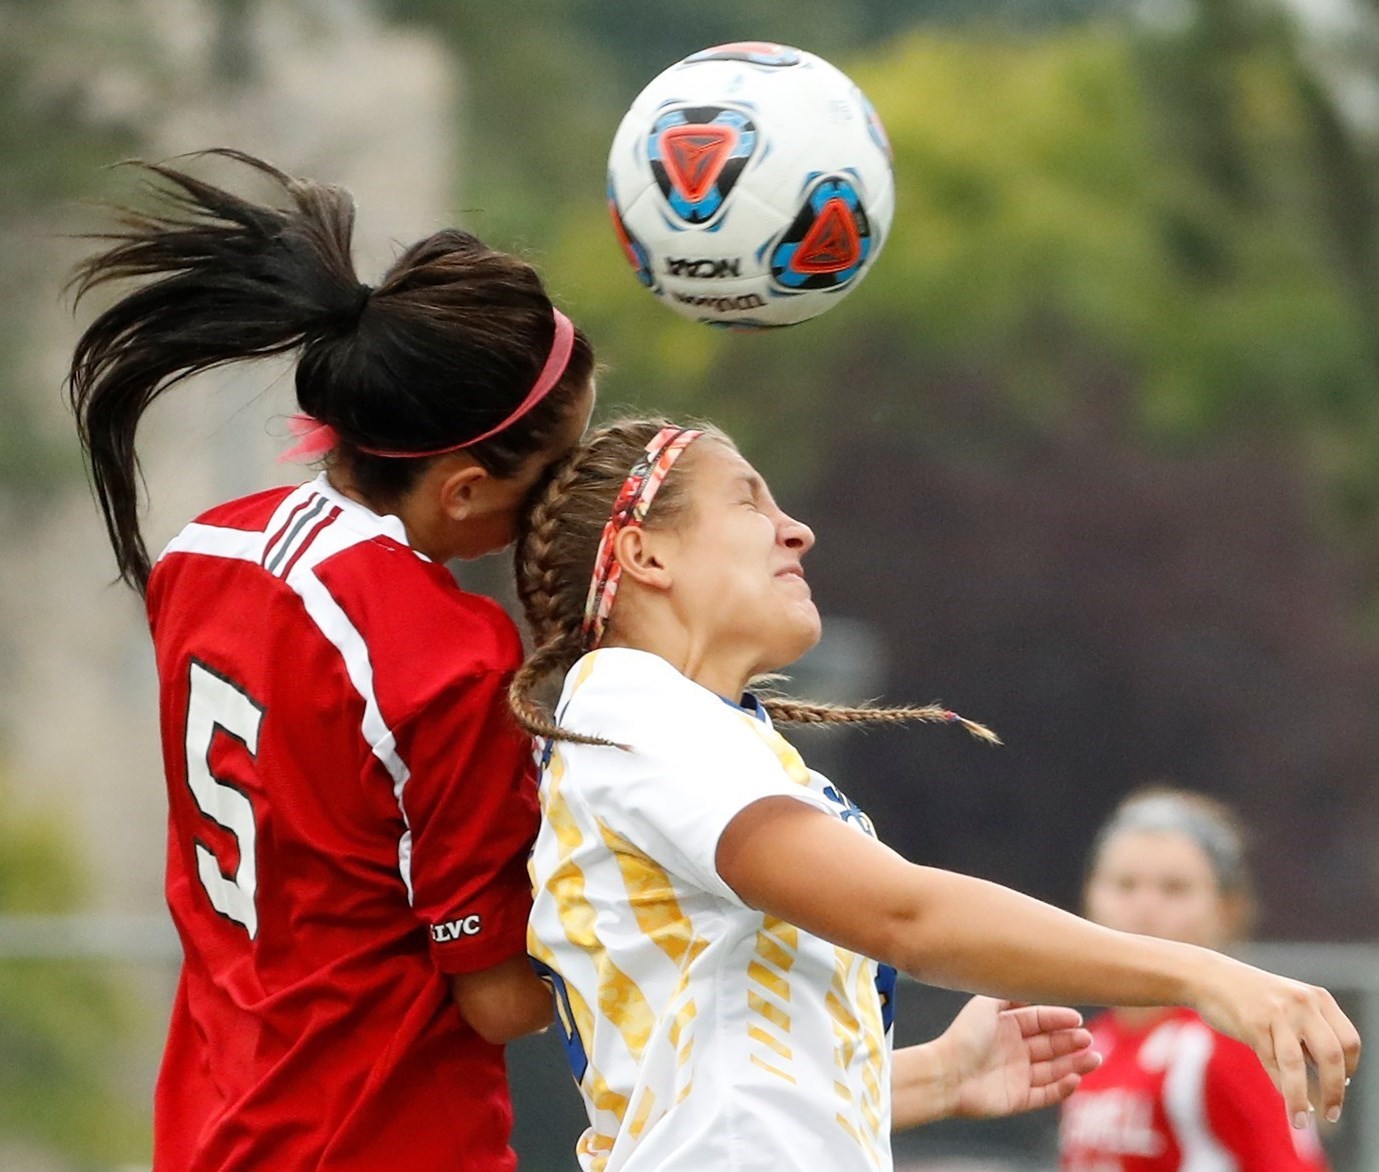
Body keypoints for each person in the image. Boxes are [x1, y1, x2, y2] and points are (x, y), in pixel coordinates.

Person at [506, 419, 1361, 1172]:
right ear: (643, 553)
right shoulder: (629, 702)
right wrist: (1203, 976)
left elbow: (730, 1088)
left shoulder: (705, 734)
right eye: (747, 503)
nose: (794, 530)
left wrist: (935, 1075)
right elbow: (903, 917)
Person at [66, 150, 595, 1171]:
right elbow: (498, 1002)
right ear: (464, 489)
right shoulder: (445, 656)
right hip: (375, 1136)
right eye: (554, 475)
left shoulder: (203, 552)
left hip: (217, 1122)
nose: (561, 506)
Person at [1059, 786, 1332, 1170]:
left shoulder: (1228, 1040)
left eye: (1175, 889)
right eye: (1124, 885)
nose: (1144, 907)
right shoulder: (1091, 1041)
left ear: (1226, 907)